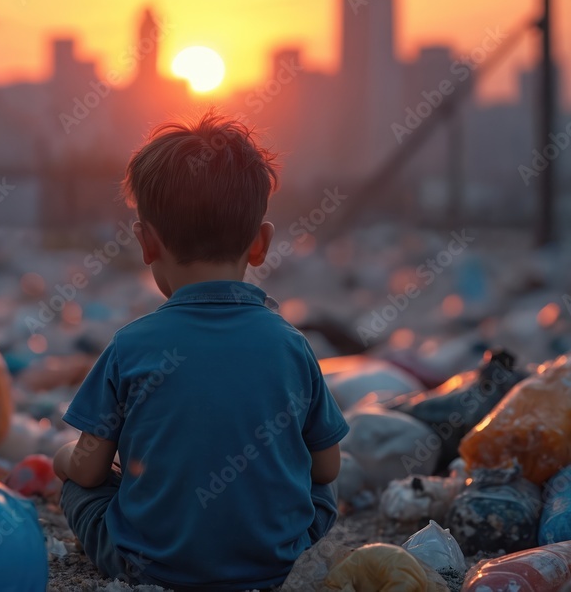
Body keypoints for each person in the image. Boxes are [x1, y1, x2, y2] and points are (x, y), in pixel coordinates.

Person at [53, 111, 349, 591]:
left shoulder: (130, 345)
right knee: (322, 491)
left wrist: (63, 459)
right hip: (274, 566)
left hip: (149, 567)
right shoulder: (291, 345)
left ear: (147, 242)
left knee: (80, 489)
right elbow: (327, 467)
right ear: (260, 244)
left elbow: (87, 469)